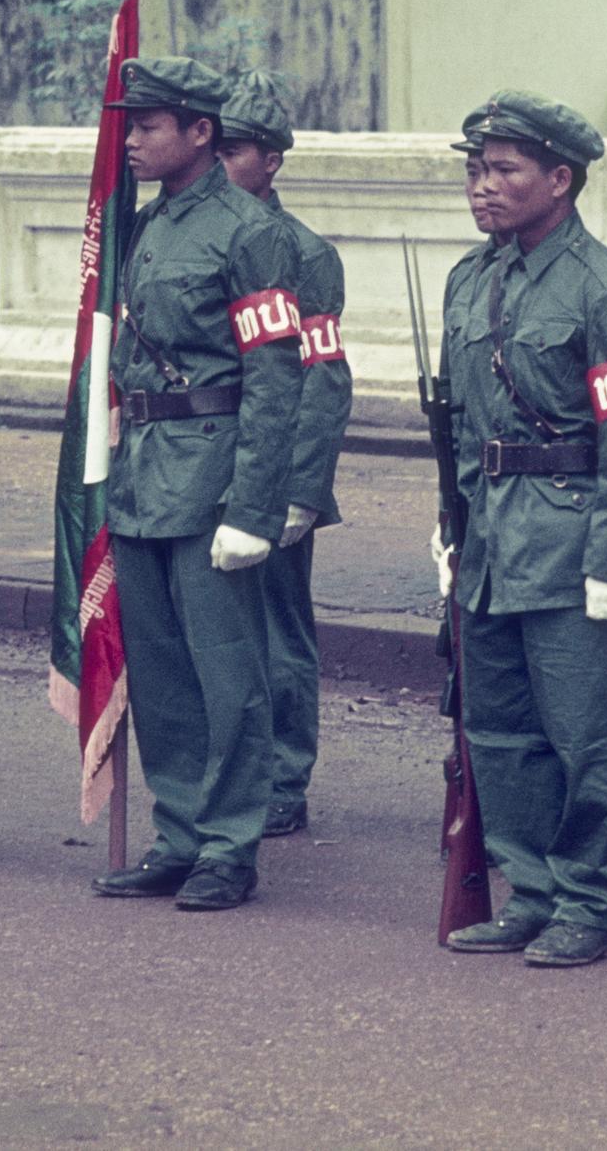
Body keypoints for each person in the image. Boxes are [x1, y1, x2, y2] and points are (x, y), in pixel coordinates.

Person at [434, 91, 607, 968]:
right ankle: (530, 892)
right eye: (475, 170)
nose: (483, 186)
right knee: (499, 731)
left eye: (504, 170)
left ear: (560, 180)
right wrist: (454, 532)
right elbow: (464, 426)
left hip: (573, 545)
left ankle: (588, 902)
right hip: (492, 544)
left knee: (580, 737)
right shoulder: (470, 280)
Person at [86, 56, 303, 911]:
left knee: (227, 677)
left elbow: (275, 380)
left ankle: (228, 845)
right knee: (163, 677)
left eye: (148, 126)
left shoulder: (249, 233)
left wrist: (254, 508)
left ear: (200, 132)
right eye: (129, 126)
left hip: (212, 476)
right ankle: (178, 835)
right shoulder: (144, 225)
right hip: (143, 473)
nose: (132, 141)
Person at [214, 76, 353, 839]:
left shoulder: (303, 254)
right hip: (200, 469)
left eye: (234, 151)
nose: (220, 163)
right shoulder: (191, 236)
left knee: (276, 635)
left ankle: (281, 778)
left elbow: (322, 377)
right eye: (214, 148)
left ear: (271, 162)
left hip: (270, 476)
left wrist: (301, 489)